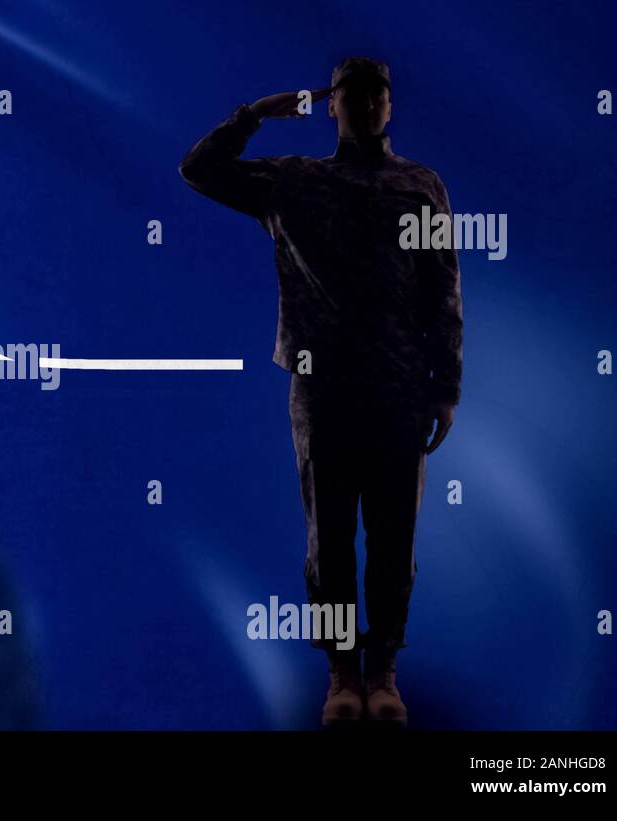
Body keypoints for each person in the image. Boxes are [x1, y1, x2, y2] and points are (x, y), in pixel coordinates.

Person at [179, 57, 463, 727]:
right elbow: (199, 170)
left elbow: (443, 288)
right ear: (330, 104)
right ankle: (342, 674)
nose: (365, 104)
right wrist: (252, 114)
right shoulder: (294, 182)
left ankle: (384, 673)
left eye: (376, 93)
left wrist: (445, 385)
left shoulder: (420, 186)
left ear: (389, 106)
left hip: (398, 389)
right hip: (322, 387)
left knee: (394, 537)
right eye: (350, 93)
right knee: (329, 538)